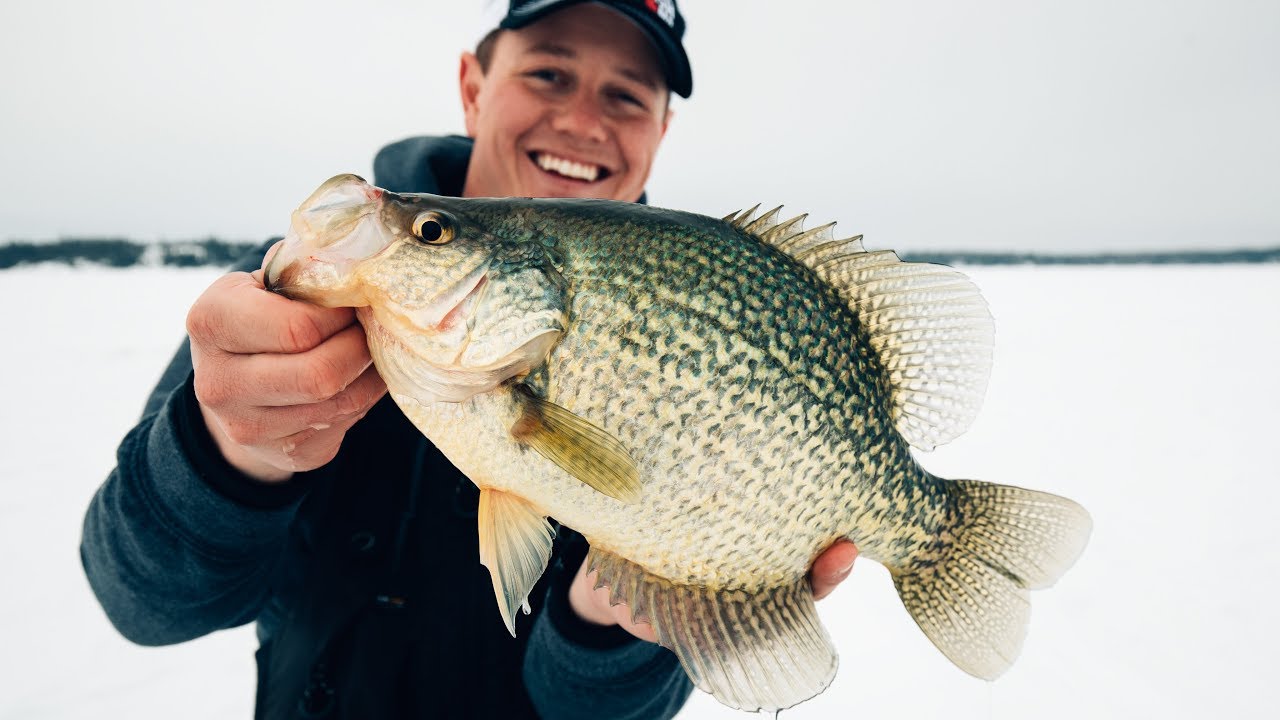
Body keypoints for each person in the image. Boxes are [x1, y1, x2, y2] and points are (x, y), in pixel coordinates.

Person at [80, 1, 859, 718]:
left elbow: (585, 711)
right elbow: (142, 605)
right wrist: (223, 449)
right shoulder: (289, 306)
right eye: (548, 72)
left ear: (661, 132)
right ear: (473, 85)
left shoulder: (709, 312)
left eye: (627, 96)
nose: (584, 121)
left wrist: (611, 619)